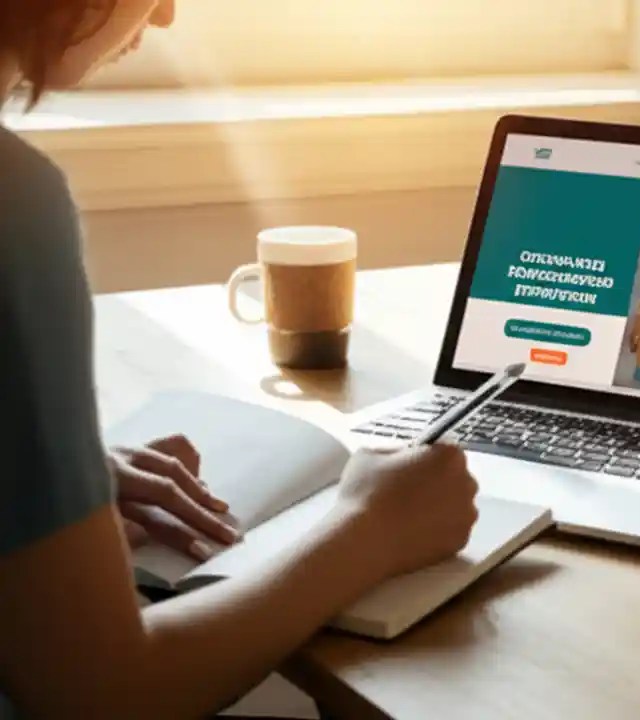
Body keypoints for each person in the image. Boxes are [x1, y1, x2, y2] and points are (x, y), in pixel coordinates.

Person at [0, 2, 480, 718]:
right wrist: (370, 530)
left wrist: (41, 483)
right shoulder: (14, 205)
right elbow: (108, 695)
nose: (163, 14)